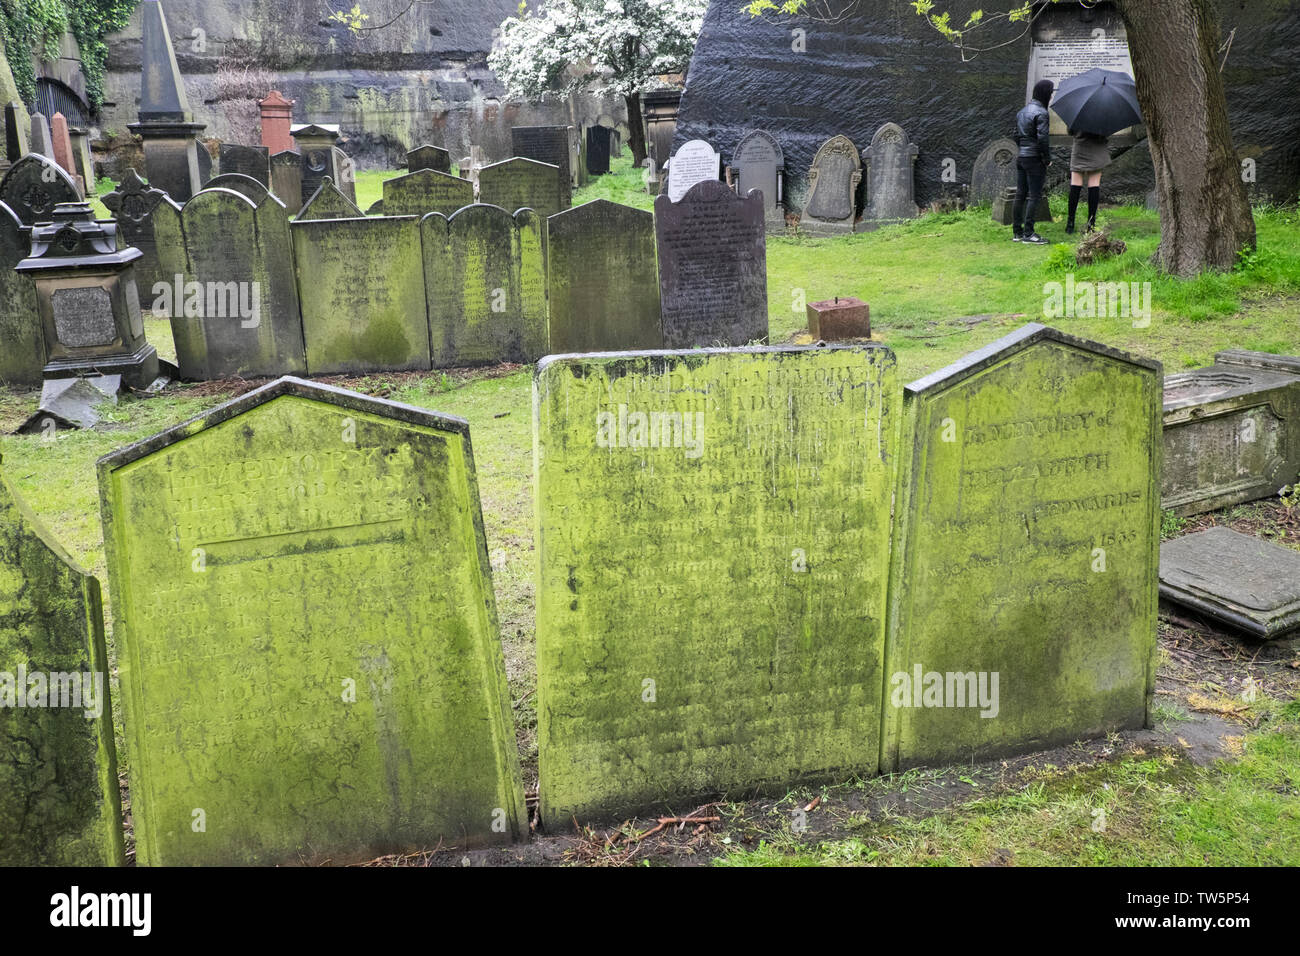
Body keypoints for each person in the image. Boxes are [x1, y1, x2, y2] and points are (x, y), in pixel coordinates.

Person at [1012, 79, 1054, 245]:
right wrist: (1047, 158)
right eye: (1050, 93)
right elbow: (1043, 138)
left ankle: (1017, 232)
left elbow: (1016, 135)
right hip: (1034, 158)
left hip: (1021, 157)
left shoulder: (1022, 111)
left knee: (1020, 194)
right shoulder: (1042, 113)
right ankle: (1029, 233)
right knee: (1034, 196)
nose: (1051, 96)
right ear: (1045, 93)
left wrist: (1023, 149)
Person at [1066, 128, 1110, 234]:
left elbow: (1070, 131)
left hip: (1080, 148)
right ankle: (1091, 224)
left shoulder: (1077, 113)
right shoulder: (1102, 114)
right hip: (1097, 149)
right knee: (1094, 185)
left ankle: (1070, 223)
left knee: (1075, 185)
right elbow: (1107, 132)